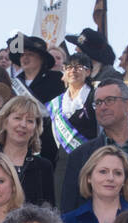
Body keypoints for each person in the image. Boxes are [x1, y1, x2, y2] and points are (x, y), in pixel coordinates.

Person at [62, 79, 128, 217]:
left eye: (109, 100)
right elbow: (68, 208)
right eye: (98, 103)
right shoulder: (79, 156)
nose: (103, 107)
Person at [5, 34, 62, 164]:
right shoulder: (13, 83)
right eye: (22, 55)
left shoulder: (56, 79)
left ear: (41, 58)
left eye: (30, 54)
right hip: (19, 140)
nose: (24, 58)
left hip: (48, 141)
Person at [0, 94, 54, 206]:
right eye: (17, 118)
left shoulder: (44, 167)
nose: (23, 125)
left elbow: (49, 211)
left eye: (30, 121)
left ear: (35, 128)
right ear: (5, 122)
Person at [44, 52, 92, 200]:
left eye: (78, 67)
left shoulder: (95, 98)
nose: (73, 71)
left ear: (88, 72)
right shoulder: (55, 103)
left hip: (90, 159)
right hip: (63, 162)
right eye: (69, 67)